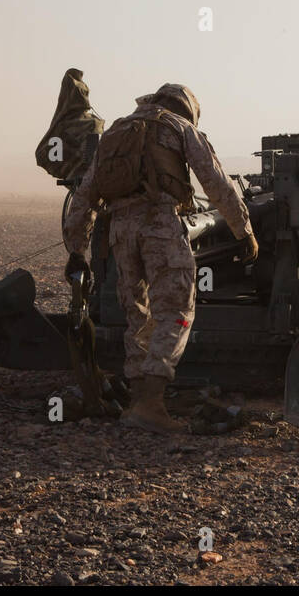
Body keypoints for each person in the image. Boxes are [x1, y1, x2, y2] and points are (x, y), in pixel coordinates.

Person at [63, 83, 257, 433]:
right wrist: (243, 230)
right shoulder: (180, 128)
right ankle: (152, 402)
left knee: (138, 313)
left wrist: (77, 249)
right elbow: (216, 182)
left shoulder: (118, 130)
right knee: (177, 310)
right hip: (160, 225)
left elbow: (85, 195)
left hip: (121, 231)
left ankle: (139, 401)